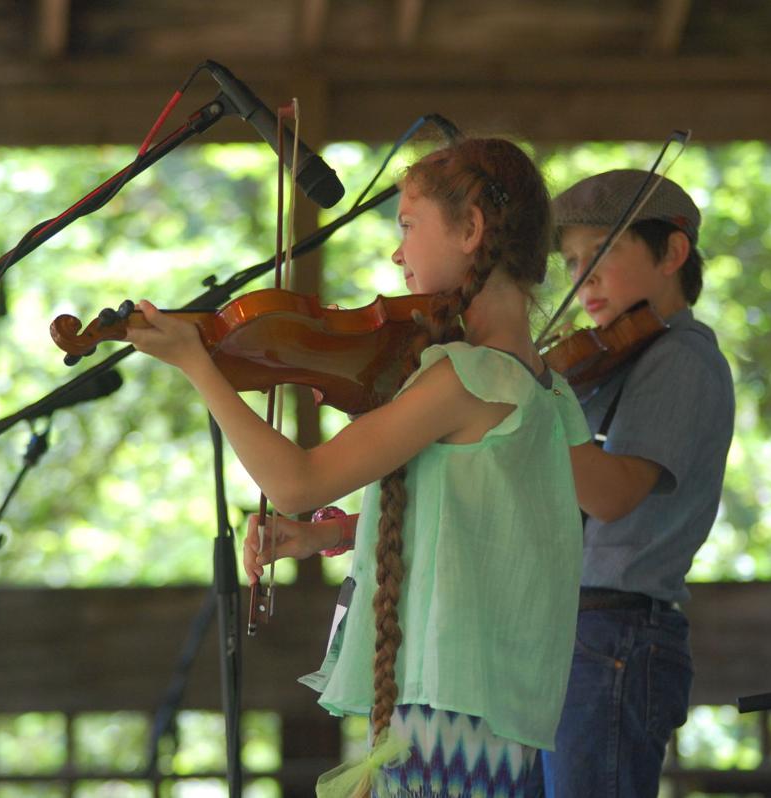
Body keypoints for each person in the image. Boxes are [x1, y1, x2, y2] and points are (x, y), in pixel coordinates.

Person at [122, 137, 591, 797]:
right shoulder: (544, 388)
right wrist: (325, 535)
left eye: (408, 224)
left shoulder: (466, 375)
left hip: (444, 707)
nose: (398, 250)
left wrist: (198, 366)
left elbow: (294, 483)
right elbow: (470, 522)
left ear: (472, 230)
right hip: (491, 713)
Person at [537, 170, 736, 797]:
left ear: (672, 252)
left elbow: (611, 493)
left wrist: (535, 400)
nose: (580, 278)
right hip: (581, 634)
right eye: (570, 261)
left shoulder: (681, 356)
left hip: (616, 635)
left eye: (600, 254)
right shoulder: (615, 362)